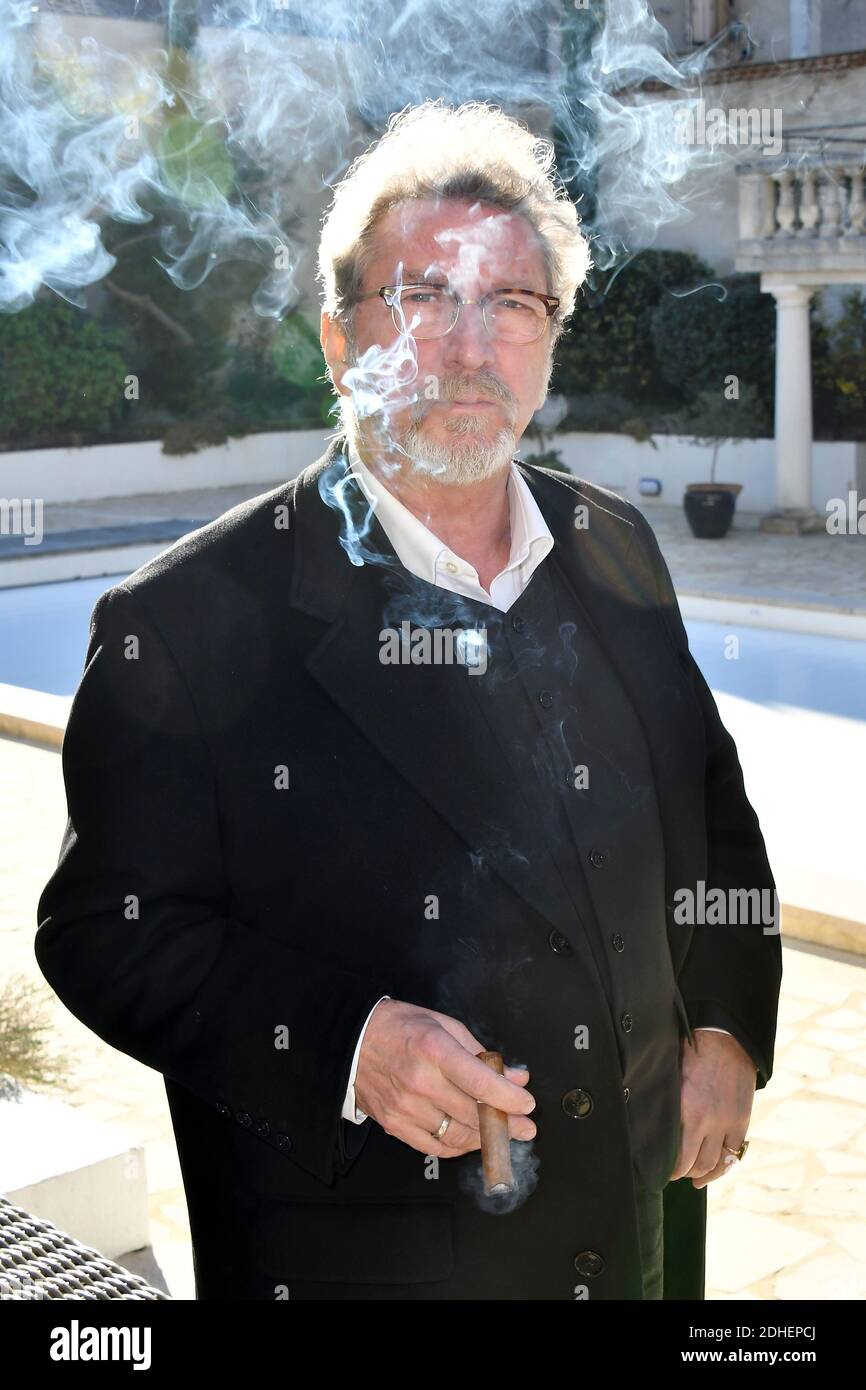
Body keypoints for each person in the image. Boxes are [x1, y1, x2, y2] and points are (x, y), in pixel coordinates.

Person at [35, 99, 782, 1301]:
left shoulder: (617, 547)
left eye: (511, 304)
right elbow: (105, 930)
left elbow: (714, 816)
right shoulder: (181, 623)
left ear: (548, 340)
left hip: (641, 1238)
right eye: (422, 298)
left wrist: (728, 1026)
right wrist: (344, 1044)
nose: (468, 346)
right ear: (337, 342)